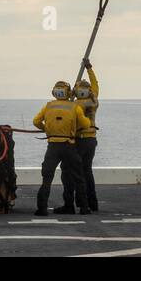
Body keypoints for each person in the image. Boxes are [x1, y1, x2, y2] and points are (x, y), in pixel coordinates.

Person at [32, 80, 91, 216]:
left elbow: (36, 121)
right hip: (68, 145)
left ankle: (42, 208)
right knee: (78, 177)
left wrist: (47, 129)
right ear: (69, 92)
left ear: (54, 92)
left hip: (52, 146)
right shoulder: (74, 107)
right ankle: (84, 208)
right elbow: (86, 124)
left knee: (47, 178)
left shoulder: (48, 106)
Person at [59, 61, 101, 212]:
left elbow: (65, 99)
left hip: (79, 140)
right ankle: (92, 202)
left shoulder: (74, 105)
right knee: (87, 170)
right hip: (91, 139)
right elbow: (95, 85)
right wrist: (89, 69)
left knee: (71, 170)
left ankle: (75, 202)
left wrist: (69, 92)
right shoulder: (94, 100)